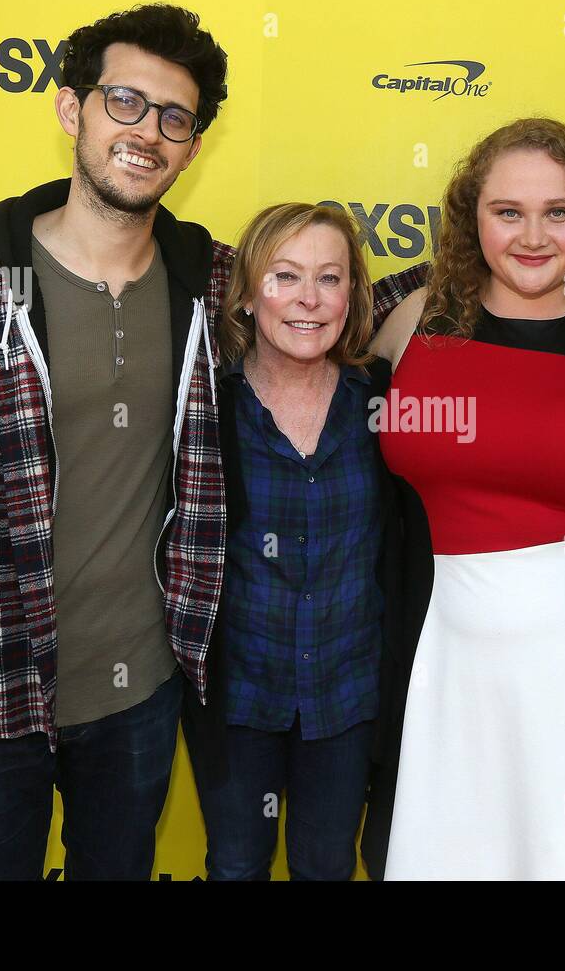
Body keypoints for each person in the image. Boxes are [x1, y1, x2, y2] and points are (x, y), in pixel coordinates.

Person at [0, 3, 426, 880]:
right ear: (72, 110)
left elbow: (329, 310)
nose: (147, 131)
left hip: (141, 691)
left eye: (174, 117)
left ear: (191, 147)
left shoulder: (209, 280)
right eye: (124, 101)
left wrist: (503, 255)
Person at [362, 117, 565, 880]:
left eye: (558, 212)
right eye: (508, 213)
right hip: (448, 650)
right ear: (472, 217)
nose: (533, 236)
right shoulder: (413, 319)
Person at [177, 203, 403, 880]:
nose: (309, 299)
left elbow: (452, 275)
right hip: (240, 695)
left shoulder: (384, 400)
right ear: (247, 295)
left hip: (348, 693)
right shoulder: (206, 408)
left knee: (327, 864)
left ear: (352, 296)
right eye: (285, 277)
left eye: (329, 278)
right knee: (238, 863)